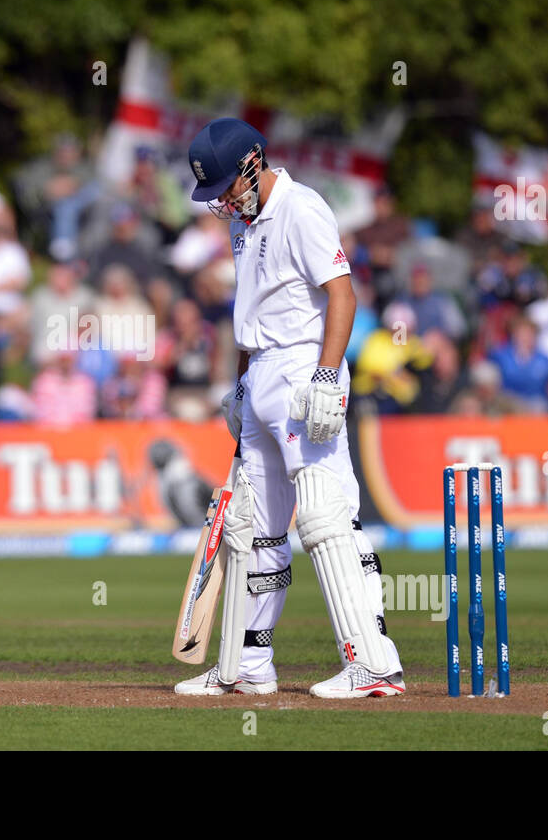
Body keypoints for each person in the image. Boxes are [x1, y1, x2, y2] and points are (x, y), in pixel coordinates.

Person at [175, 118, 404, 699]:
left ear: (253, 161)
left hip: (306, 367)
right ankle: (249, 664)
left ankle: (372, 664)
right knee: (254, 528)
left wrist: (329, 374)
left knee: (325, 517)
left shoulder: (301, 208)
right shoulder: (244, 223)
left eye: (227, 184)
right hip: (263, 373)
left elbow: (342, 293)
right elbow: (250, 315)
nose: (223, 199)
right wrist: (241, 386)